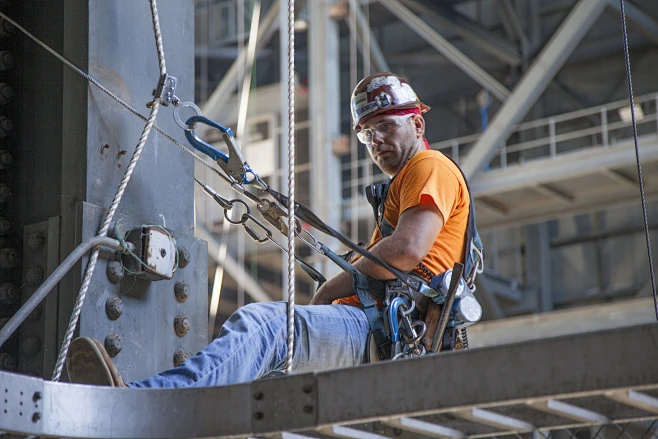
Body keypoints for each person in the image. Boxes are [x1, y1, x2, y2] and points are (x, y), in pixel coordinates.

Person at [66, 72, 472, 388]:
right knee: (262, 379)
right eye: (367, 133)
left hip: (381, 325)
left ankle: (145, 400)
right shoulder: (402, 184)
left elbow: (407, 250)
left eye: (386, 126)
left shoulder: (428, 166)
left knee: (264, 326)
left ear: (417, 125)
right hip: (383, 330)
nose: (376, 140)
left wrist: (331, 289)